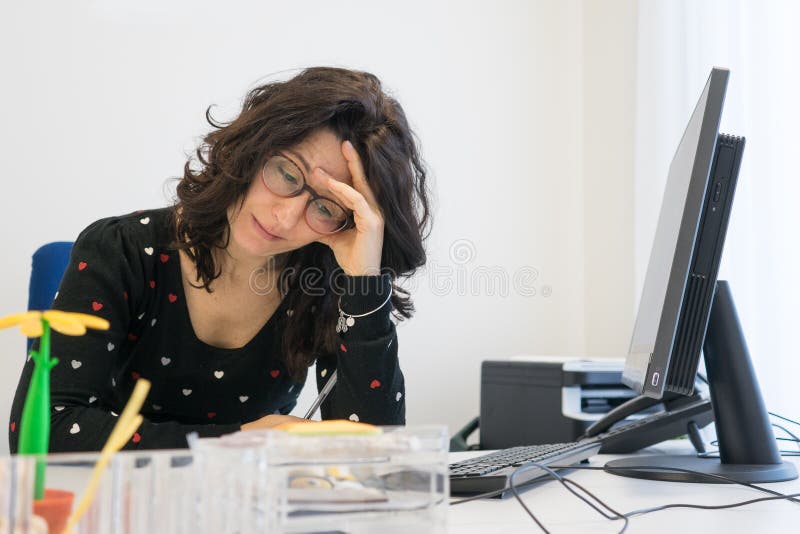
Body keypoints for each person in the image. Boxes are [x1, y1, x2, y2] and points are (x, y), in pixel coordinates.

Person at [9, 67, 430, 452]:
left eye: (326, 207)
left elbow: (373, 455)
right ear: (252, 149)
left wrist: (363, 282)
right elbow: (45, 433)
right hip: (114, 509)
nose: (284, 217)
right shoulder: (122, 249)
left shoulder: (324, 281)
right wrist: (238, 442)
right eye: (286, 174)